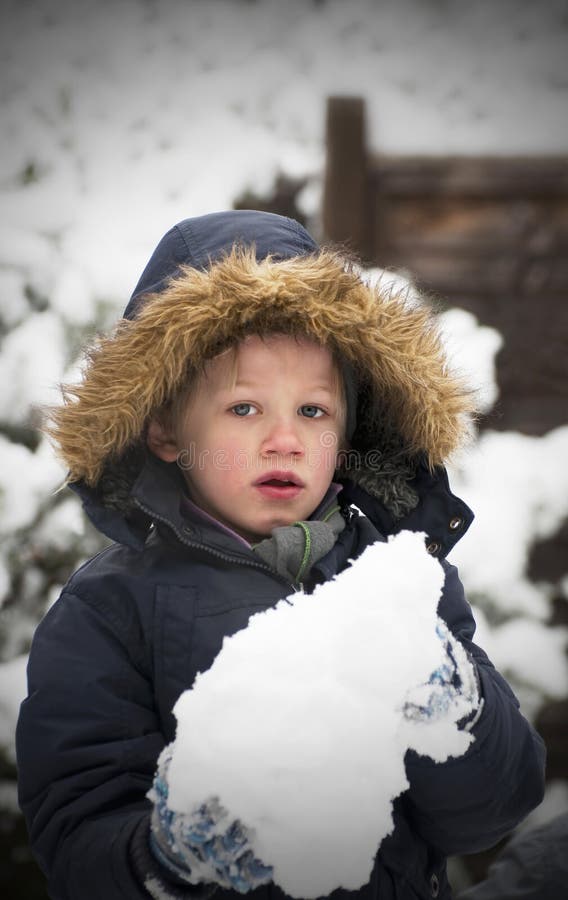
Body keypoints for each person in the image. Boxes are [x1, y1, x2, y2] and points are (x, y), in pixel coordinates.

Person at [16, 210, 546, 900]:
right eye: (244, 409)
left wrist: (455, 705)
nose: (284, 441)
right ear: (165, 431)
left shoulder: (400, 581)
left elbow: (490, 811)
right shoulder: (110, 611)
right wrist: (167, 858)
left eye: (313, 411)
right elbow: (75, 839)